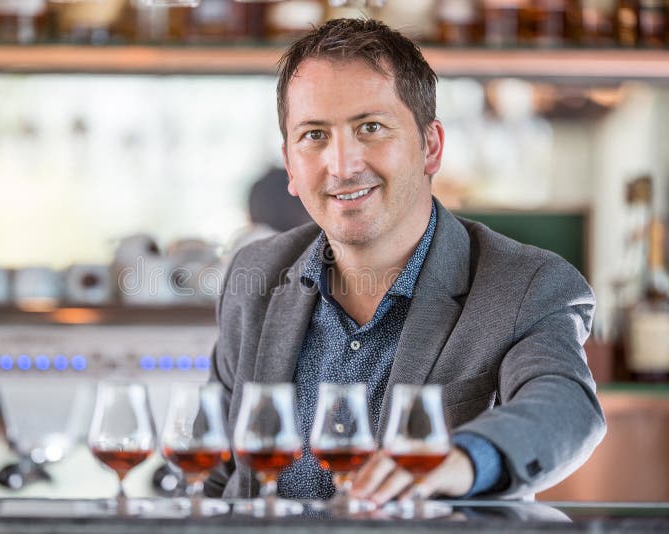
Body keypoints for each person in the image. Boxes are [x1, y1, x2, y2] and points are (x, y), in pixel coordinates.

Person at [205, 18, 605, 503]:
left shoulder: (525, 284)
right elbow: (217, 474)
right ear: (290, 163)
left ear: (430, 147)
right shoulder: (254, 276)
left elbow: (566, 408)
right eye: (314, 135)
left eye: (370, 128)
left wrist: (460, 459)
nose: (343, 165)